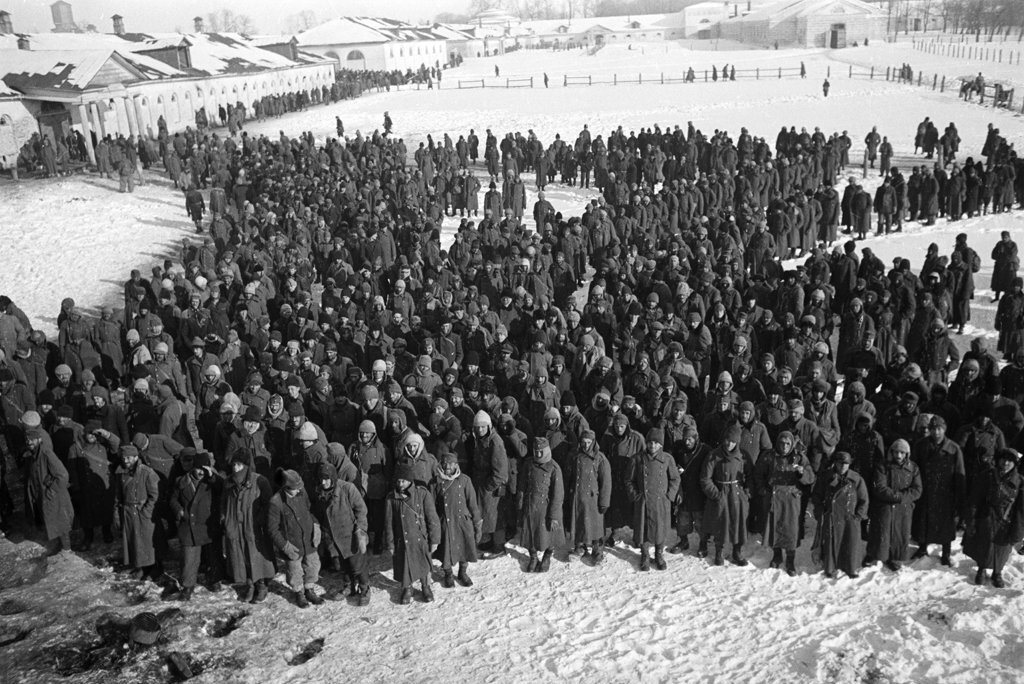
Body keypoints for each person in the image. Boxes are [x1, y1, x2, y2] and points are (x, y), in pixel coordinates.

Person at [754, 431, 815, 576]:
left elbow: (811, 477)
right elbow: (758, 474)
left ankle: (790, 560)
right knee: (775, 526)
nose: (784, 446)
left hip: (791, 499)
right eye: (781, 443)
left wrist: (802, 473)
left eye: (788, 443)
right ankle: (777, 555)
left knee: (790, 529)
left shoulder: (799, 457)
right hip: (773, 497)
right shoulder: (769, 456)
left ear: (792, 444)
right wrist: (762, 489)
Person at [963, 449, 1024, 587]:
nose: (1006, 463)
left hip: (1006, 522)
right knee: (983, 547)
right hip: (986, 518)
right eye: (1003, 459)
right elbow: (975, 499)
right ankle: (981, 569)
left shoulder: (1020, 481)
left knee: (1002, 550)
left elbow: (1021, 509)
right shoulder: (987, 476)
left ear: (1015, 463)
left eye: (1010, 460)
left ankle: (997, 573)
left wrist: (1019, 530)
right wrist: (971, 519)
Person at [313, 462, 371, 606]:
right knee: (343, 563)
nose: (323, 482)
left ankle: (364, 588)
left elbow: (361, 509)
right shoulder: (319, 491)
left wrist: (360, 530)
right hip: (333, 535)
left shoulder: (347, 488)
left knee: (357, 564)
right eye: (321, 479)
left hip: (351, 534)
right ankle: (349, 586)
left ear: (333, 477)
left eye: (326, 479)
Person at [221, 452, 276, 603]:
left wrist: (259, 519)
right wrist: (224, 518)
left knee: (256, 556)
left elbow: (269, 505)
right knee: (241, 556)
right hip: (235, 526)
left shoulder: (260, 481)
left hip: (253, 526)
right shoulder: (228, 483)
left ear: (247, 466)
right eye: (233, 465)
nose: (235, 468)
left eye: (239, 465)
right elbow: (223, 502)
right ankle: (250, 585)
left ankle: (262, 585)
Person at [169, 450, 223, 600]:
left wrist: (212, 476)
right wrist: (179, 510)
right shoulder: (181, 482)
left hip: (207, 524)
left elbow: (221, 488)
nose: (201, 472)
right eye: (198, 469)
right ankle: (188, 585)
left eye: (204, 469)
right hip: (189, 524)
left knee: (212, 556)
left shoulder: (212, 481)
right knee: (189, 558)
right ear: (193, 467)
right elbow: (173, 499)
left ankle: (214, 580)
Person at [385, 462, 441, 603]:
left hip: (420, 538)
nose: (400, 484)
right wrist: (390, 544)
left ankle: (426, 586)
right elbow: (388, 523)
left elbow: (432, 518)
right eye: (398, 481)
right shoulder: (391, 498)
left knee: (424, 564)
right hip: (401, 540)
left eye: (403, 480)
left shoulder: (422, 494)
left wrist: (434, 540)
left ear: (410, 480)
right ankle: (407, 588)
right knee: (404, 565)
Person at [267, 468, 323, 608]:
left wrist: (316, 526)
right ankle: (299, 593)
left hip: (308, 540)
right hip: (292, 544)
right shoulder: (276, 502)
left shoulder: (302, 492)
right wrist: (284, 545)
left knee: (313, 565)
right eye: (295, 489)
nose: (298, 491)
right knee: (294, 571)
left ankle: (309, 589)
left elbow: (309, 511)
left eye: (300, 488)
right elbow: (272, 529)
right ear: (286, 487)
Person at [626, 428, 680, 571]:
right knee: (643, 528)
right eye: (650, 442)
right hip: (643, 500)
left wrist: (669, 496)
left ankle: (659, 554)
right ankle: (644, 555)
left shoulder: (667, 459)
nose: (653, 446)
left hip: (661, 501)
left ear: (661, 445)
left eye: (656, 443)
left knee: (659, 529)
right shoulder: (637, 459)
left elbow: (675, 478)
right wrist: (635, 496)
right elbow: (628, 480)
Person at [867, 439, 922, 571]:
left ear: (906, 454)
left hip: (903, 507)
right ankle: (876, 554)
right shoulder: (882, 466)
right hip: (884, 505)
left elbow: (917, 490)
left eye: (902, 453)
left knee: (900, 533)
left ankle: (895, 557)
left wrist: (902, 498)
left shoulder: (913, 468)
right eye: (896, 452)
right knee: (881, 531)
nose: (898, 456)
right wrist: (895, 496)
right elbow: (879, 486)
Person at [812, 451, 869, 579]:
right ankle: (830, 567)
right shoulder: (826, 477)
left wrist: (858, 516)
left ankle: (850, 567)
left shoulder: (856, 479)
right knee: (831, 543)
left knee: (850, 542)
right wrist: (821, 511)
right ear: (835, 463)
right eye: (840, 463)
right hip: (831, 516)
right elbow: (816, 496)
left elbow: (864, 499)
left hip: (849, 518)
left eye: (846, 463)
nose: (843, 466)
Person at [24, 412, 74, 554]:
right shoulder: (33, 455)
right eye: (28, 440)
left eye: (32, 440)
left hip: (54, 496)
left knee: (61, 524)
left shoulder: (46, 454)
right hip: (45, 495)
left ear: (39, 440)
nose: (29, 443)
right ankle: (60, 545)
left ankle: (67, 549)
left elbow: (63, 475)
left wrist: (51, 490)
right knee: (53, 521)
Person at [700, 425, 750, 566]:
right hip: (720, 493)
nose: (729, 444)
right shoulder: (714, 455)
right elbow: (705, 478)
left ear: (737, 442)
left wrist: (747, 491)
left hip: (738, 495)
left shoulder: (743, 455)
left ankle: (737, 551)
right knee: (720, 523)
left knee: (738, 523)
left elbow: (752, 475)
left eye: (733, 441)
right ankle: (719, 551)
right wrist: (716, 494)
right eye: (727, 440)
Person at [432, 450, 480, 588]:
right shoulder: (435, 482)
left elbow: (472, 503)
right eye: (445, 464)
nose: (448, 467)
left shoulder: (464, 480)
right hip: (445, 523)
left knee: (464, 548)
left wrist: (477, 523)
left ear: (456, 465)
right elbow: (432, 506)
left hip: (463, 522)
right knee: (447, 550)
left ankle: (462, 572)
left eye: (451, 464)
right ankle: (448, 574)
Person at [517, 437, 564, 572]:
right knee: (530, 534)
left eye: (541, 451)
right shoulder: (528, 464)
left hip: (546, 508)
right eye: (535, 451)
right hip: (530, 505)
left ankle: (547, 556)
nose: (538, 454)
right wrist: (520, 503)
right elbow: (522, 484)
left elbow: (558, 494)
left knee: (548, 535)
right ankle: (533, 557)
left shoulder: (554, 467)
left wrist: (554, 515)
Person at [565, 429, 612, 563]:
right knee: (579, 522)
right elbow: (567, 477)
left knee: (595, 525)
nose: (586, 445)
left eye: (589, 442)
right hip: (577, 497)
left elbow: (606, 483)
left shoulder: (600, 459)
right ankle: (580, 546)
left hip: (593, 499)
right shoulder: (574, 456)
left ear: (593, 442)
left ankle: (597, 549)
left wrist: (604, 502)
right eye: (583, 442)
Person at [115, 444, 160, 579]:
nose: (126, 461)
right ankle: (139, 567)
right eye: (124, 458)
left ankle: (152, 568)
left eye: (129, 458)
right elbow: (118, 495)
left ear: (136, 457)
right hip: (128, 512)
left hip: (142, 513)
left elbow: (155, 495)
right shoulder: (120, 473)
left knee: (146, 542)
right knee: (133, 541)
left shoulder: (147, 472)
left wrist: (146, 511)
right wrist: (117, 512)